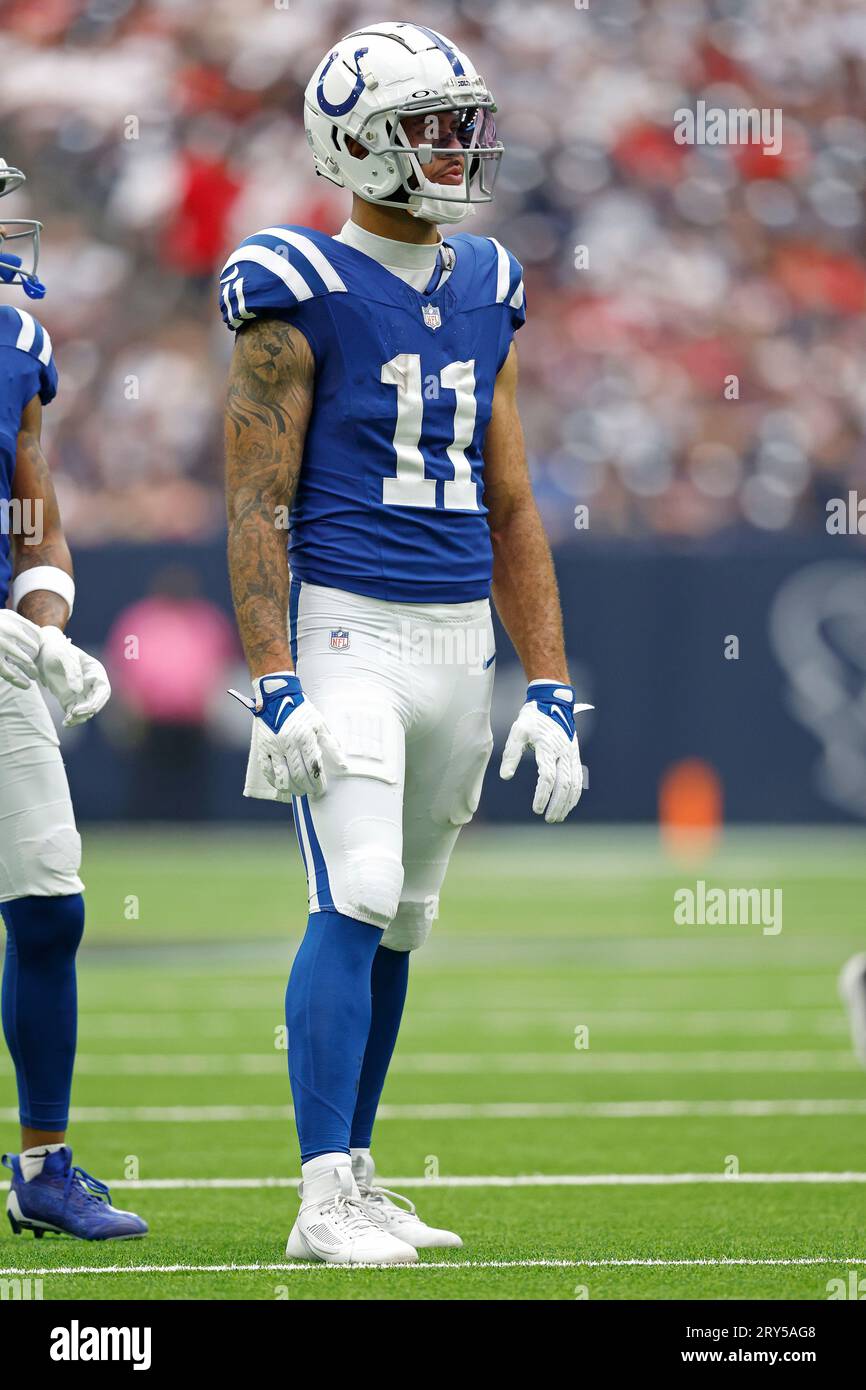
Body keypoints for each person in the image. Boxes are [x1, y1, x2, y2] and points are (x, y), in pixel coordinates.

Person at [222, 23, 590, 1265]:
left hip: (452, 641)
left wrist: (549, 680)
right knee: (356, 888)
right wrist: (273, 677)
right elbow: (256, 500)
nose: (458, 145)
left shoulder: (489, 279)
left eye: (461, 120)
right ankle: (320, 1195)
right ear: (358, 143)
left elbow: (513, 499)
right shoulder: (295, 281)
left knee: (405, 918)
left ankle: (363, 1171)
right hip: (346, 628)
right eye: (431, 123)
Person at [0, 157, 147, 1240]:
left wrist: (48, 622)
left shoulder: (19, 347)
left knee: (51, 905)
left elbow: (33, 510)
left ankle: (43, 1166)